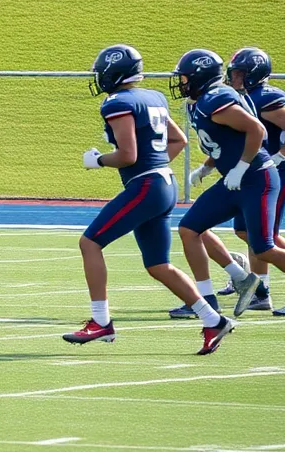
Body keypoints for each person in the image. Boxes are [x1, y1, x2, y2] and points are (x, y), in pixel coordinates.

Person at [63, 45, 233, 354]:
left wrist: (99, 160)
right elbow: (178, 140)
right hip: (162, 183)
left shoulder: (118, 102)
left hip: (146, 186)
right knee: (158, 265)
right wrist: (155, 166)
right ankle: (213, 320)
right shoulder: (153, 97)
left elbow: (127, 155)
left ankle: (101, 322)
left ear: (114, 72)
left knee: (89, 243)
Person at [172, 48, 285, 319]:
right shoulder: (203, 100)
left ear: (201, 77)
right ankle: (206, 299)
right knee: (189, 228)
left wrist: (242, 166)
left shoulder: (217, 99)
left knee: (263, 245)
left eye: (185, 78)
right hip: (235, 179)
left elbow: (257, 130)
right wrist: (206, 166)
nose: (182, 83)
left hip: (256, 177)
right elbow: (224, 142)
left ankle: (257, 289)